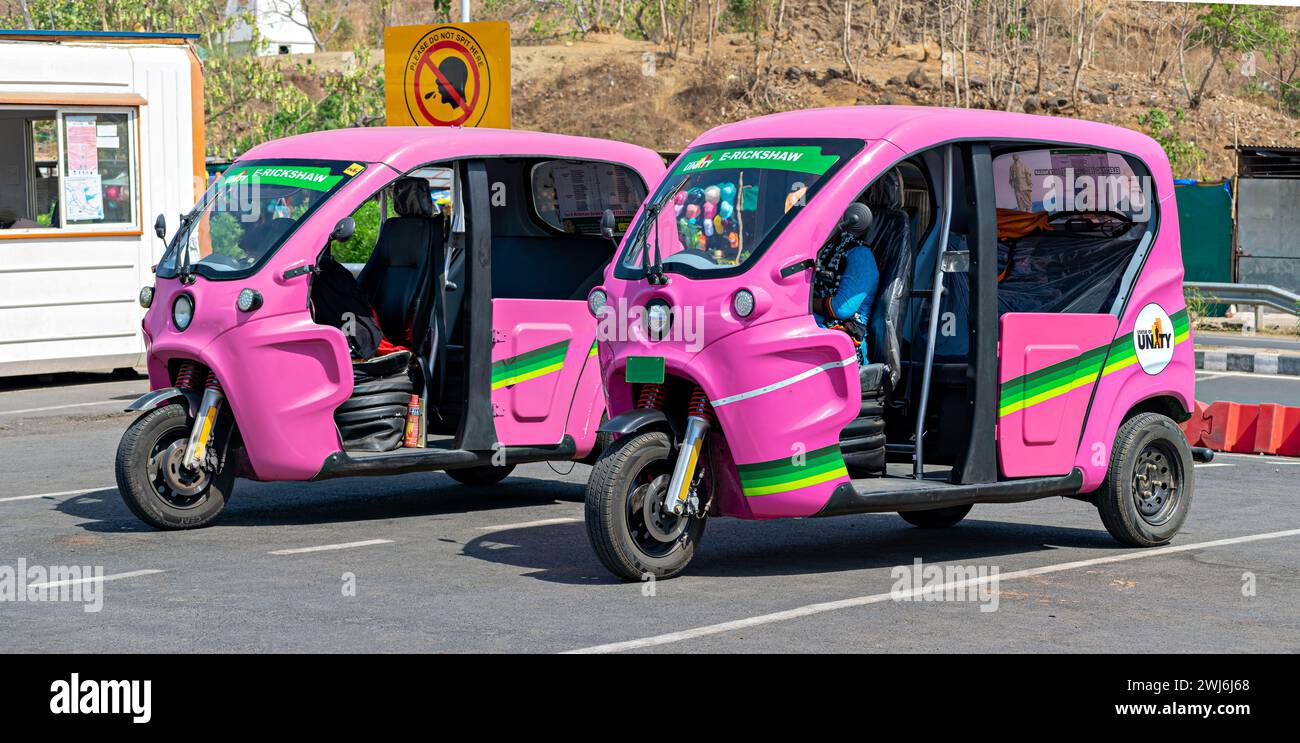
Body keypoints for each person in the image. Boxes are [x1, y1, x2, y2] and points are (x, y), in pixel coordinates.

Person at [814, 229, 880, 363]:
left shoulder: (860, 255)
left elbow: (841, 308)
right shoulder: (825, 250)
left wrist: (803, 303)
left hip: (844, 344)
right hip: (820, 330)